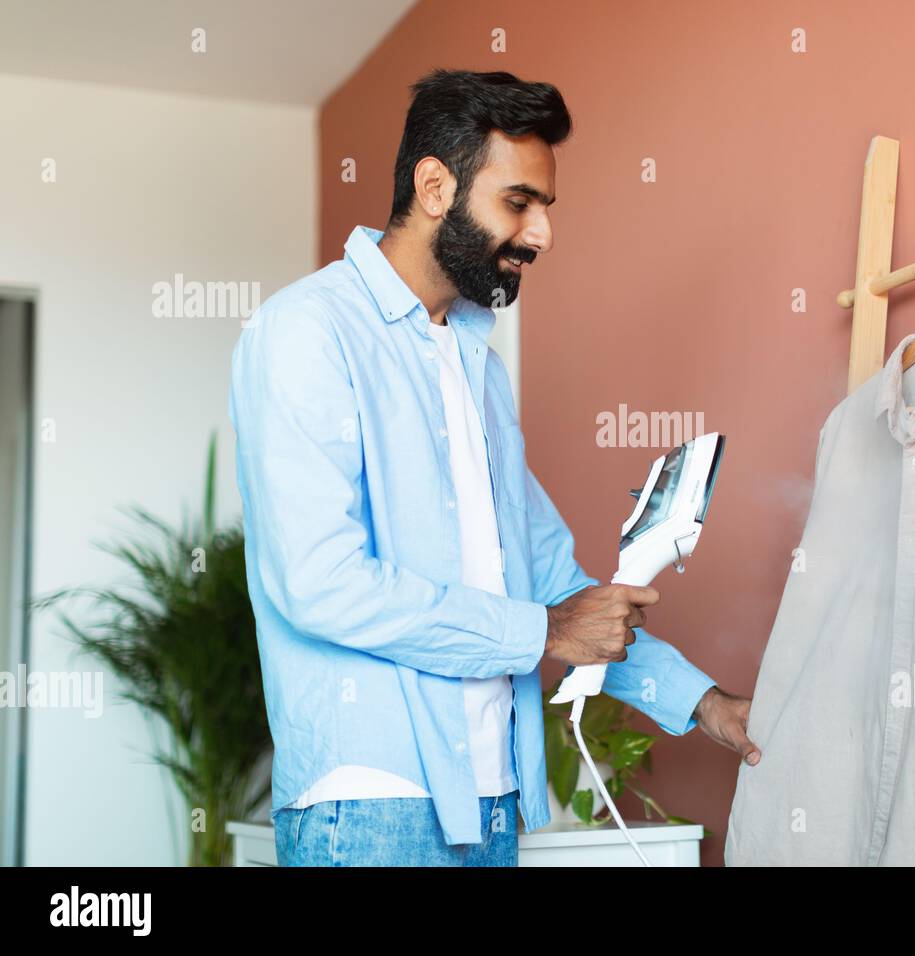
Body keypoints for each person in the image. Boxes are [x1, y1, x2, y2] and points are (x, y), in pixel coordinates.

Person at [228, 68, 759, 867]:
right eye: (518, 203)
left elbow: (552, 584)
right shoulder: (307, 332)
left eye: (545, 208)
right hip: (373, 805)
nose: (541, 233)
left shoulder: (476, 367)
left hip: (494, 801)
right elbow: (320, 580)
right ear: (435, 186)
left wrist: (707, 706)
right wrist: (545, 631)